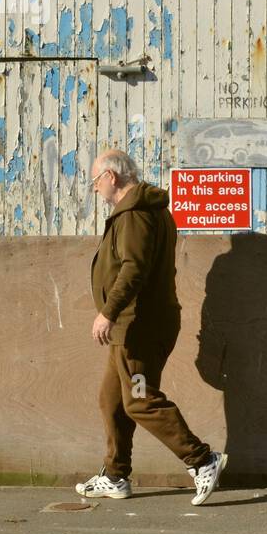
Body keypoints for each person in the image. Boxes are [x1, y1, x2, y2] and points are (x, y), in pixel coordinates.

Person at [75, 148, 224, 505]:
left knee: (140, 400)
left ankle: (202, 460)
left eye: (95, 181)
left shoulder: (135, 215)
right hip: (136, 323)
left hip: (138, 325)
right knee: (112, 400)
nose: (95, 189)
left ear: (111, 177)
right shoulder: (147, 211)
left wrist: (108, 312)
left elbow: (133, 269)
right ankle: (115, 475)